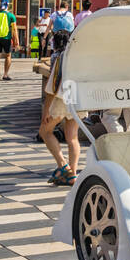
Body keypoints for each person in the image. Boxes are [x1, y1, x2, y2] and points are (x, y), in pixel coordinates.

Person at [41, 30, 80, 185]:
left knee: (45, 131)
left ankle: (63, 166)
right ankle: (73, 173)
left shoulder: (60, 57)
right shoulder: (79, 56)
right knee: (72, 137)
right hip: (77, 98)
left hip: (62, 98)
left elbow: (53, 85)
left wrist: (46, 110)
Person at [0, 0, 19, 81]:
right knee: (8, 56)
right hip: (6, 38)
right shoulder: (11, 16)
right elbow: (14, 29)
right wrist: (16, 41)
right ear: (8, 5)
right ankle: (5, 74)